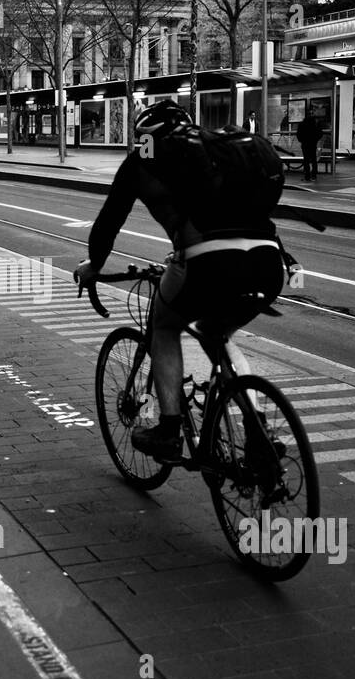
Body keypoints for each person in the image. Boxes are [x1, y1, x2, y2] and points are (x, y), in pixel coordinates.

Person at [75, 100, 285, 464]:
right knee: (217, 332)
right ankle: (257, 432)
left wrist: (95, 264)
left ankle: (169, 430)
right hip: (269, 261)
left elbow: (111, 217)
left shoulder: (142, 159)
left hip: (208, 260)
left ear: (145, 135)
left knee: (164, 326)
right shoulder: (218, 154)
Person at [296, 111, 323, 182]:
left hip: (305, 144)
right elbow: (320, 133)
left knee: (306, 160)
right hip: (313, 144)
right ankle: (314, 176)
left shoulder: (302, 124)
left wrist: (301, 140)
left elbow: (298, 134)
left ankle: (307, 176)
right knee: (314, 160)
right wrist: (315, 140)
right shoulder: (315, 124)